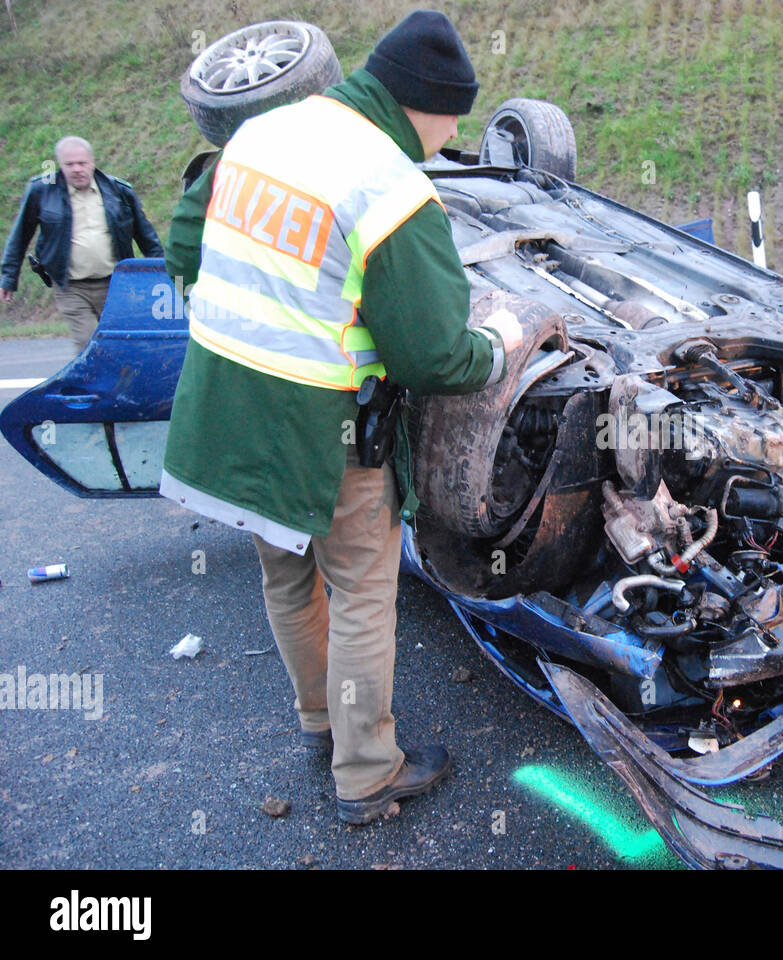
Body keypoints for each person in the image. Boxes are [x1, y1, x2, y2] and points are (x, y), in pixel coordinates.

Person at [160, 10, 524, 825]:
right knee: (361, 588)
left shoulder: (260, 133)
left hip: (224, 415)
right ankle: (367, 774)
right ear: (419, 102)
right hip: (322, 430)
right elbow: (434, 356)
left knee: (287, 578)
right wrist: (499, 348)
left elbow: (187, 249)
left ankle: (321, 719)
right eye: (454, 111)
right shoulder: (389, 186)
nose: (458, 129)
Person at [1, 137, 164, 351]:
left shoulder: (119, 191)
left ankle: (119, 384)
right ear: (60, 166)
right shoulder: (42, 191)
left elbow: (146, 237)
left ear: (92, 162)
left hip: (116, 284)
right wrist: (8, 278)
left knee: (122, 345)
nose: (77, 169)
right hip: (71, 286)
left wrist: (163, 275)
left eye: (82, 163)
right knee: (88, 345)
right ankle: (91, 384)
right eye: (69, 164)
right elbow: (20, 236)